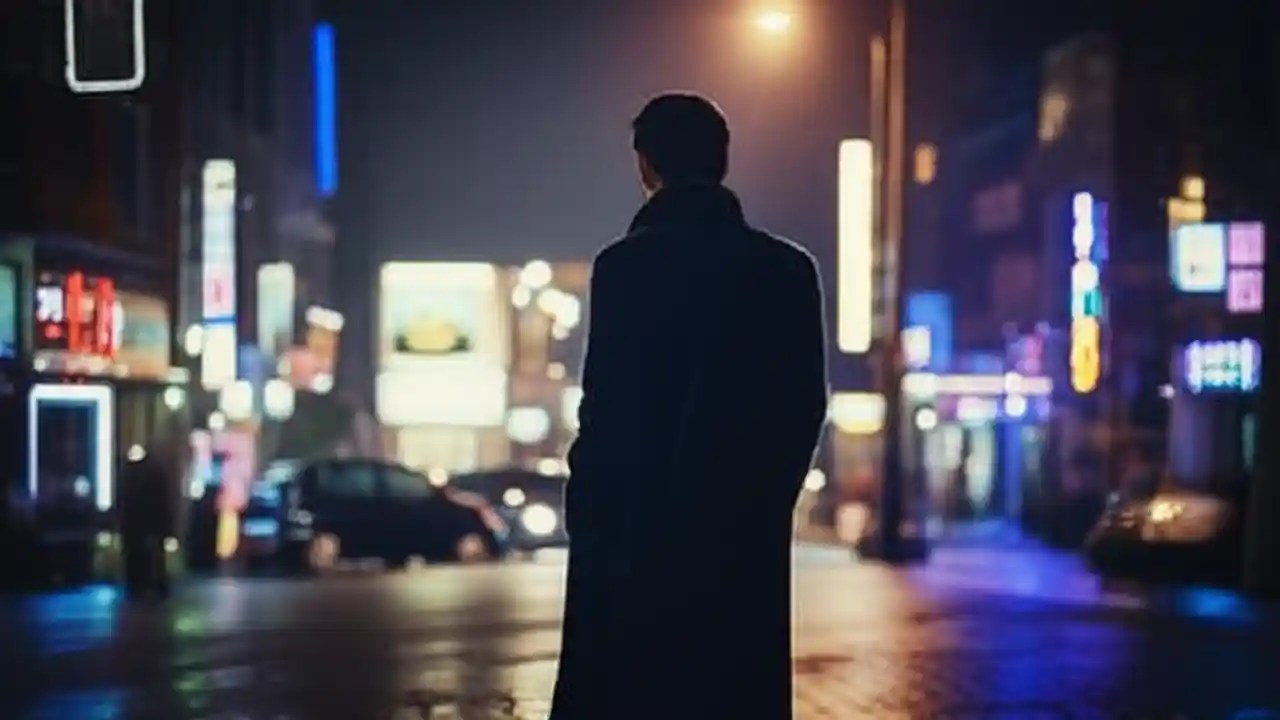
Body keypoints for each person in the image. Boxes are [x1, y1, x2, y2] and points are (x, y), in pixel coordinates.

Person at [551, 93, 829, 720]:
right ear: (722, 160)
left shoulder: (625, 268)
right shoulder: (786, 271)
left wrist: (594, 515)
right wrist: (761, 500)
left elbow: (607, 412)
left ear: (645, 164)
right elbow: (803, 406)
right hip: (742, 538)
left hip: (636, 536)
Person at [119, 438, 183, 599]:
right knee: (154, 555)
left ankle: (139, 584)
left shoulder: (131, 473)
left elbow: (126, 500)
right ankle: (155, 584)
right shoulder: (155, 472)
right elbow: (162, 501)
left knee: (138, 554)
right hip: (150, 522)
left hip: (135, 523)